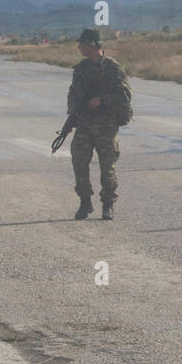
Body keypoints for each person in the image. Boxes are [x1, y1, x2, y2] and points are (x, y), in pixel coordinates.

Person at [68, 28, 131, 220]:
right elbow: (73, 94)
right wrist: (72, 116)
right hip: (85, 122)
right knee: (79, 161)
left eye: (82, 44)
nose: (79, 47)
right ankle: (85, 202)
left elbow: (124, 95)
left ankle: (108, 204)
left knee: (107, 165)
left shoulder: (113, 68)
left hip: (106, 123)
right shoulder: (81, 68)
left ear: (93, 46)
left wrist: (102, 100)